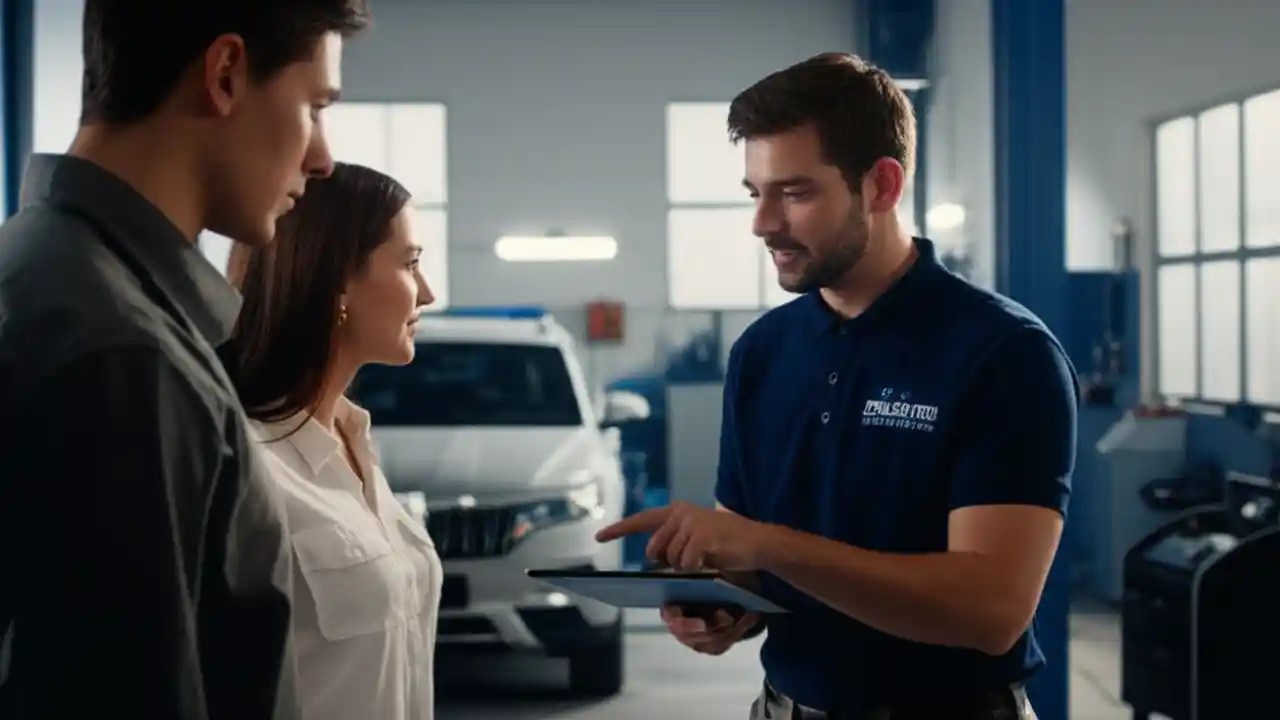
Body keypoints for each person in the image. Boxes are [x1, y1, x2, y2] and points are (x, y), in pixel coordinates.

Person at [597, 52, 1076, 720]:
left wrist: (767, 547)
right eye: (754, 193)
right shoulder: (764, 353)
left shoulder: (1003, 355)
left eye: (794, 193)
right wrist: (721, 603)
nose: (762, 223)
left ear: (881, 186)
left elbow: (990, 611)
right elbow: (750, 557)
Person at [0, 1, 368, 717]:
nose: (322, 157)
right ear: (225, 73)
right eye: (314, 106)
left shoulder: (43, 271)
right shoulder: (124, 357)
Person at [220, 162, 441, 720]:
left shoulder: (355, 442)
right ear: (336, 279)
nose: (428, 293)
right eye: (411, 265)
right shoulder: (251, 464)